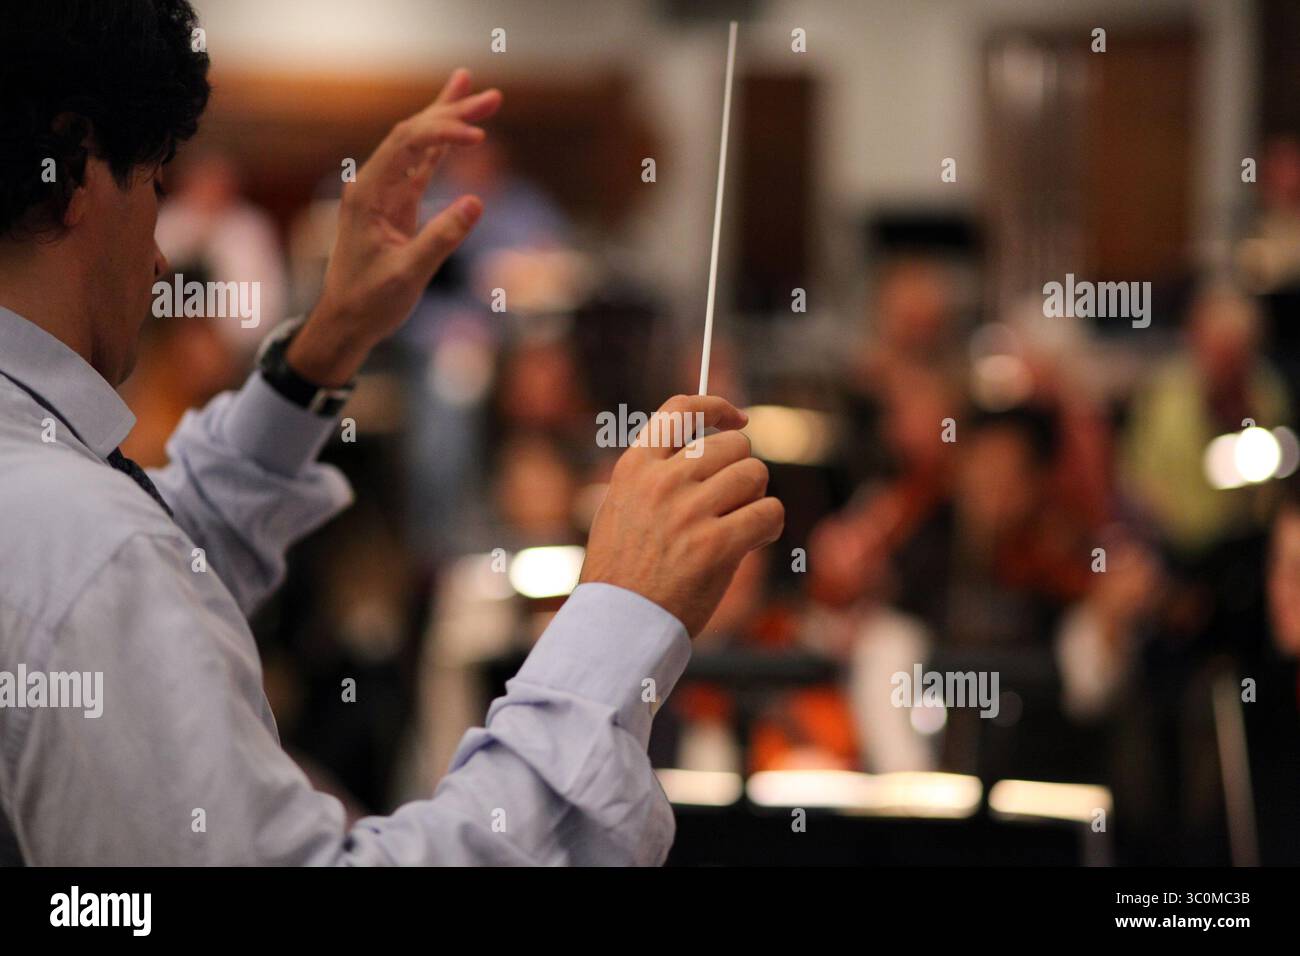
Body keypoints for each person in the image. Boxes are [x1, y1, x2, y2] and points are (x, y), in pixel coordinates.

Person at [0, 1, 783, 865]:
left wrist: (327, 342)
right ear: (73, 170)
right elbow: (113, 572)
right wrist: (620, 618)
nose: (156, 256)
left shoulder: (56, 510)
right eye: (151, 184)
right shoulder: (85, 545)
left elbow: (157, 560)